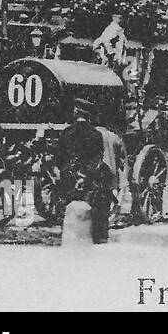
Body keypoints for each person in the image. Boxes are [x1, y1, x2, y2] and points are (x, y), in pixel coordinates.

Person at [54, 99, 116, 243]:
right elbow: (97, 159)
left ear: (75, 113)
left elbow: (59, 159)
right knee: (95, 205)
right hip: (89, 178)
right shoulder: (96, 134)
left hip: (69, 178)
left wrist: (68, 174)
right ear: (88, 115)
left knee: (68, 207)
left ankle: (68, 234)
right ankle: (97, 236)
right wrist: (85, 176)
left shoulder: (66, 133)